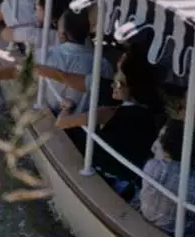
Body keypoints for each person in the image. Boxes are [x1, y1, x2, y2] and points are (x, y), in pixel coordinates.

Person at [0, 2, 109, 116]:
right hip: (85, 119)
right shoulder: (104, 64)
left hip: (55, 111)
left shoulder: (47, 56)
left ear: (62, 35)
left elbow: (11, 73)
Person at [58, 47, 165, 197]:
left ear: (133, 88)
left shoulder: (108, 113)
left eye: (119, 83)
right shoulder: (150, 113)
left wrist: (66, 107)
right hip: (129, 183)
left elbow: (61, 123)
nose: (112, 85)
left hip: (107, 181)